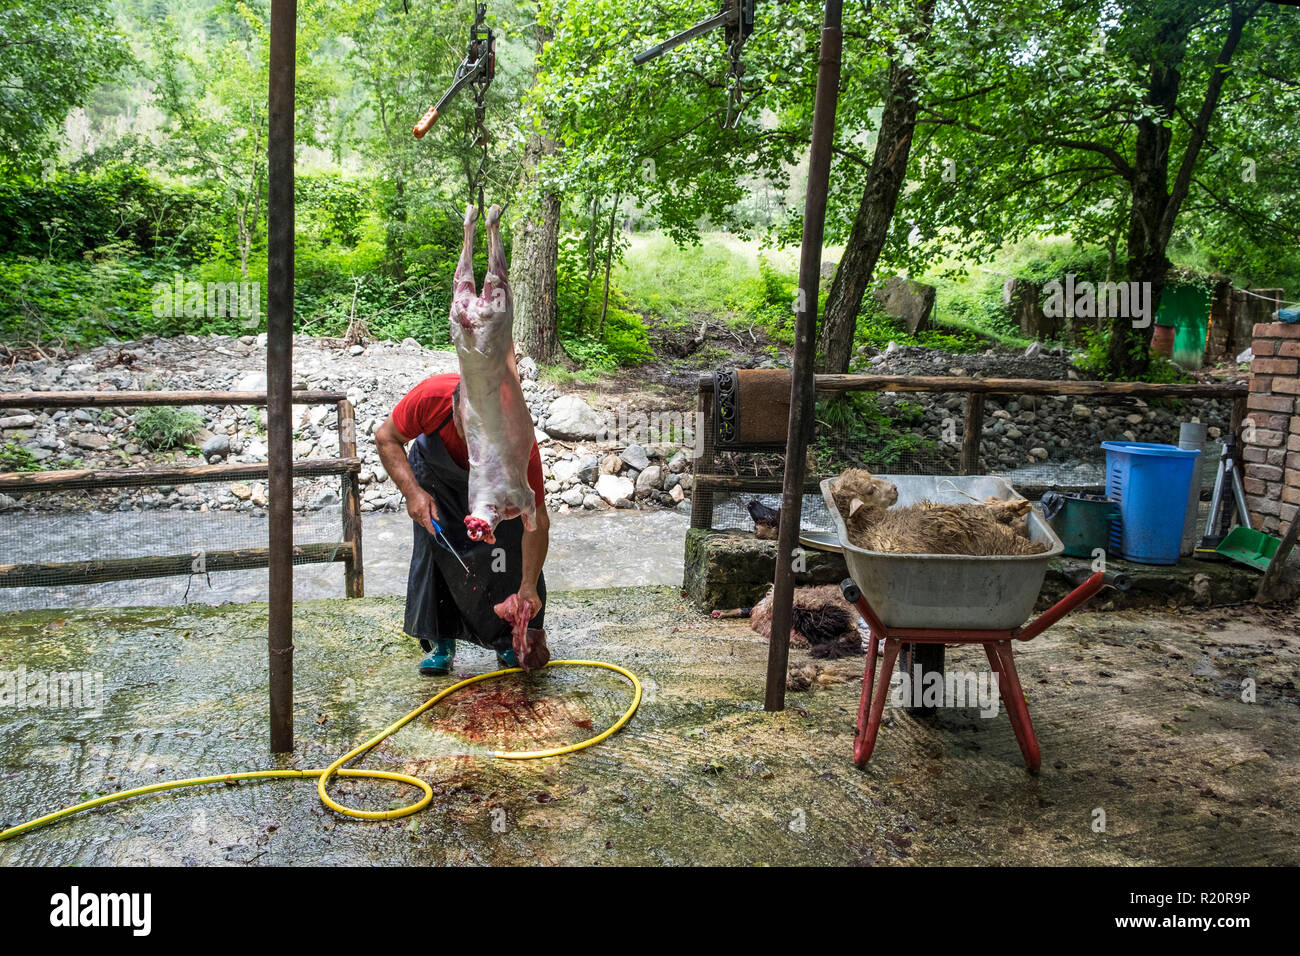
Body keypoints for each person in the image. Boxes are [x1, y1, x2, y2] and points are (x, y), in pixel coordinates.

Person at [374, 372, 549, 675]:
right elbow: (386, 437)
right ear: (454, 409)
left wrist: (528, 585)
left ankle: (507, 641)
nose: (473, 449)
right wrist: (413, 493)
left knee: (504, 554)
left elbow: (536, 521)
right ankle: (441, 643)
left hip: (499, 484)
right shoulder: (431, 397)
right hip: (436, 479)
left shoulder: (519, 441)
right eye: (468, 434)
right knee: (435, 553)